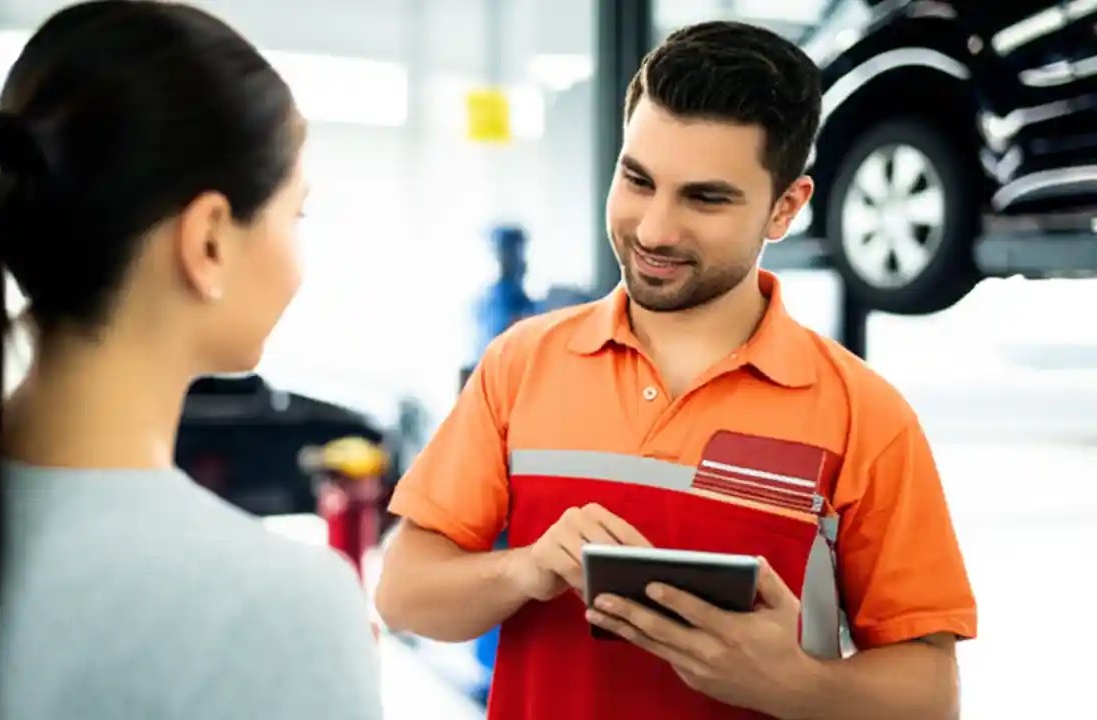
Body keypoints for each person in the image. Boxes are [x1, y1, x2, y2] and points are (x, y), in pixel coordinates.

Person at [375, 20, 976, 720]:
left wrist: (797, 684)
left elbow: (931, 695)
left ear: (786, 207)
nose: (655, 229)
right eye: (637, 180)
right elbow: (405, 594)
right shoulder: (520, 364)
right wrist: (526, 567)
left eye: (705, 198)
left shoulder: (863, 414)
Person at [0, 2, 381, 719]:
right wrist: (317, 657)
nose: (299, 263)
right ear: (209, 242)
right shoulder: (285, 602)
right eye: (297, 216)